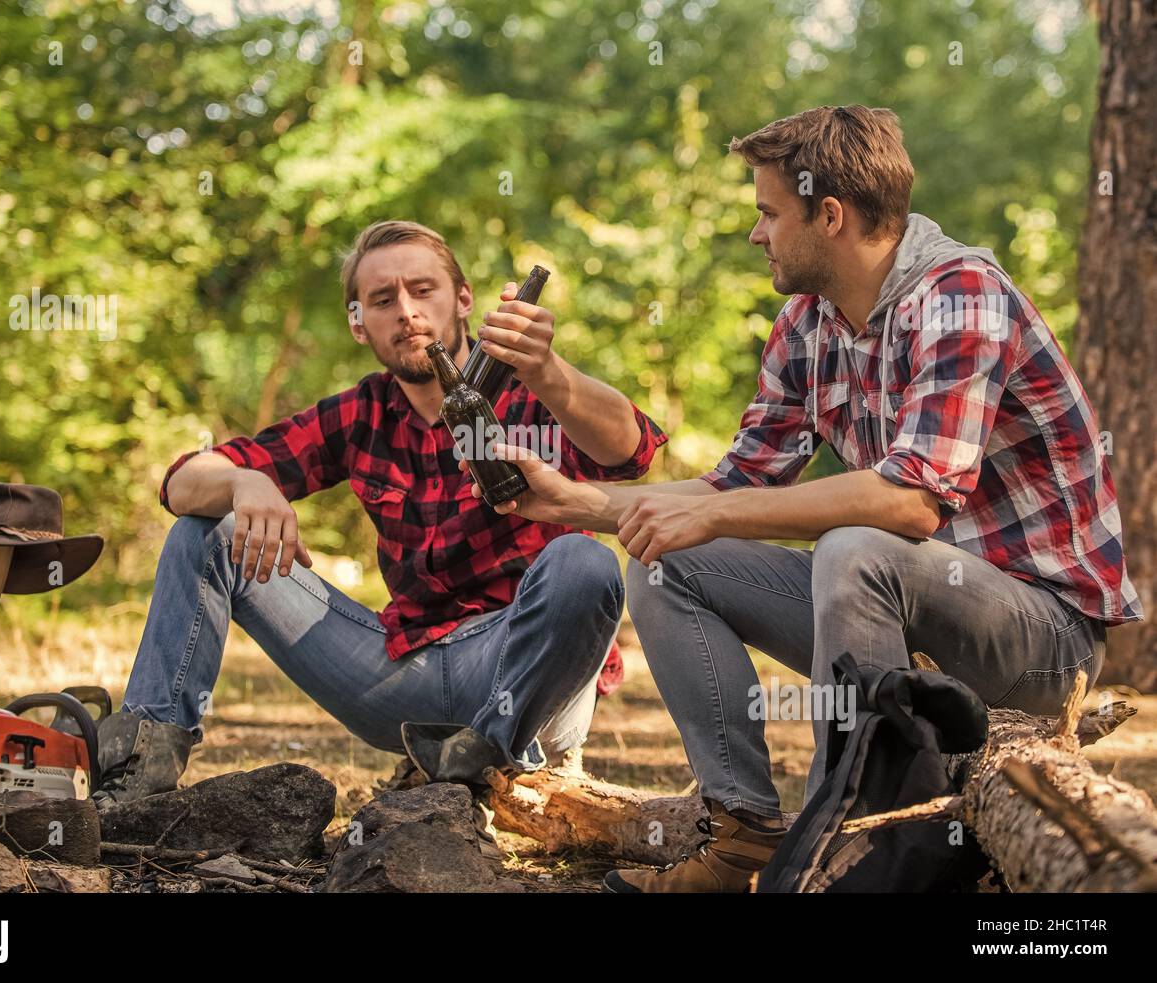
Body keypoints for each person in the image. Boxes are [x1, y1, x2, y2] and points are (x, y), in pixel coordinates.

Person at [465, 106, 1143, 892]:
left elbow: (916, 498)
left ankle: (837, 846)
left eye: (767, 213)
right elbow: (736, 486)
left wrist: (710, 513)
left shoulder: (960, 296)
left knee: (855, 547)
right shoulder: (805, 326)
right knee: (667, 552)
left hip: (1042, 638)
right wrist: (574, 501)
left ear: (830, 214)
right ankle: (742, 831)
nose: (757, 234)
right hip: (910, 621)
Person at [95, 221, 667, 853]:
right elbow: (180, 480)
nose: (407, 312)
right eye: (383, 300)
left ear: (464, 299)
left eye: (423, 290)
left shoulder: (531, 389)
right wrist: (242, 484)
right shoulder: (360, 412)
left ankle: (484, 761)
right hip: (400, 673)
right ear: (358, 321)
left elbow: (632, 449)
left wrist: (551, 370)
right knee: (203, 534)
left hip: (523, 675)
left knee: (584, 561)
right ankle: (142, 768)